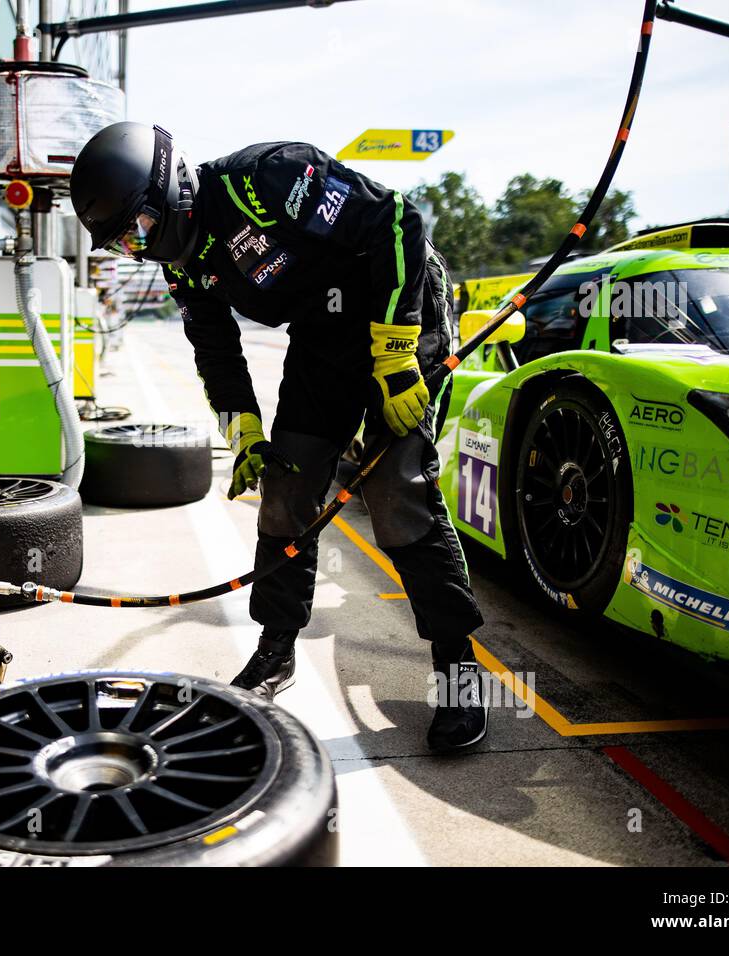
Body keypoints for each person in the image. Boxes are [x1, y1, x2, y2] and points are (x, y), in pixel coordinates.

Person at [70, 122, 488, 751]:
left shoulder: (266, 178)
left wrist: (397, 349)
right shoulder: (187, 267)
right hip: (324, 329)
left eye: (139, 228)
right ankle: (276, 649)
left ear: (174, 191)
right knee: (286, 489)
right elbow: (215, 351)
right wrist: (242, 431)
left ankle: (457, 666)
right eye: (123, 243)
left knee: (397, 489)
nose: (137, 247)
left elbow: (398, 222)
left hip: (397, 304)